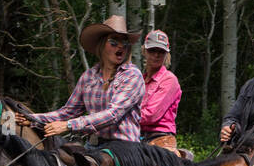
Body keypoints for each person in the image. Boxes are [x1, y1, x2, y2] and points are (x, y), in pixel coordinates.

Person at [20, 15, 144, 143]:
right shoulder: (88, 77)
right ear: (101, 45)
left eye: (124, 43)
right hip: (94, 146)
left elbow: (113, 114)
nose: (120, 47)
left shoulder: (132, 75)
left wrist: (68, 125)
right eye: (113, 42)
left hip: (125, 148)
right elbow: (68, 112)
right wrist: (33, 119)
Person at [140, 29, 182, 153]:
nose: (156, 55)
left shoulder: (169, 80)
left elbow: (151, 115)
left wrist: (124, 117)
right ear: (144, 51)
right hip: (136, 136)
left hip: (161, 138)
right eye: (152, 50)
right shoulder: (139, 80)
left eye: (161, 52)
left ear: (166, 55)